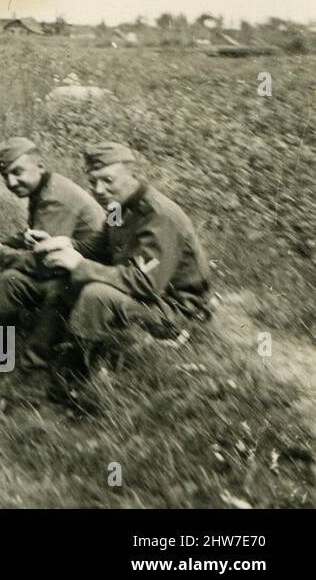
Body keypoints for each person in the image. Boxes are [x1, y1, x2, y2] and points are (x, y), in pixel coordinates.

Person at [39, 142, 212, 395]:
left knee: (95, 294)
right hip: (147, 297)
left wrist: (78, 264)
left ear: (133, 174)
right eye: (93, 182)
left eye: (108, 180)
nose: (99, 190)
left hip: (176, 308)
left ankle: (73, 383)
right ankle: (39, 364)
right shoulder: (119, 206)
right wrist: (68, 244)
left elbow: (146, 283)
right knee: (63, 283)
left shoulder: (159, 216)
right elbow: (102, 248)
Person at [0, 137, 106, 367]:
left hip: (85, 279)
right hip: (74, 270)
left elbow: (43, 265)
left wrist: (0, 252)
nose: (12, 182)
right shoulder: (47, 187)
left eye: (17, 172)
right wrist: (4, 244)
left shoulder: (54, 199)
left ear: (40, 166)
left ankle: (10, 359)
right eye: (6, 177)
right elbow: (35, 235)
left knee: (10, 280)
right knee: (9, 277)